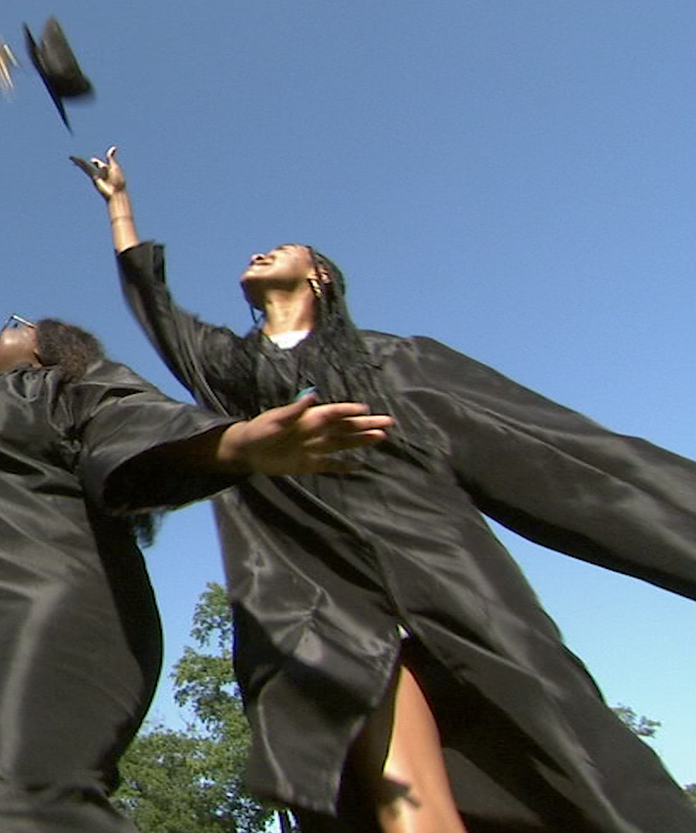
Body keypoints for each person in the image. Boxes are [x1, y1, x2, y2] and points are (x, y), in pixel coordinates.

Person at [74, 145, 696, 833]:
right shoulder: (231, 371)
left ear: (320, 277)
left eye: (284, 248)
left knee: (551, 717)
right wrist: (119, 205)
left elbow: (551, 450)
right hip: (311, 578)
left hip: (436, 553)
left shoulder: (394, 360)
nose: (259, 252)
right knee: (369, 769)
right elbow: (156, 309)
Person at [0, 242, 393, 833]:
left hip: (51, 609)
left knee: (22, 797)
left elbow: (135, 422)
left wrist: (238, 443)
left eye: (16, 325)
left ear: (50, 348)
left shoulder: (64, 388)